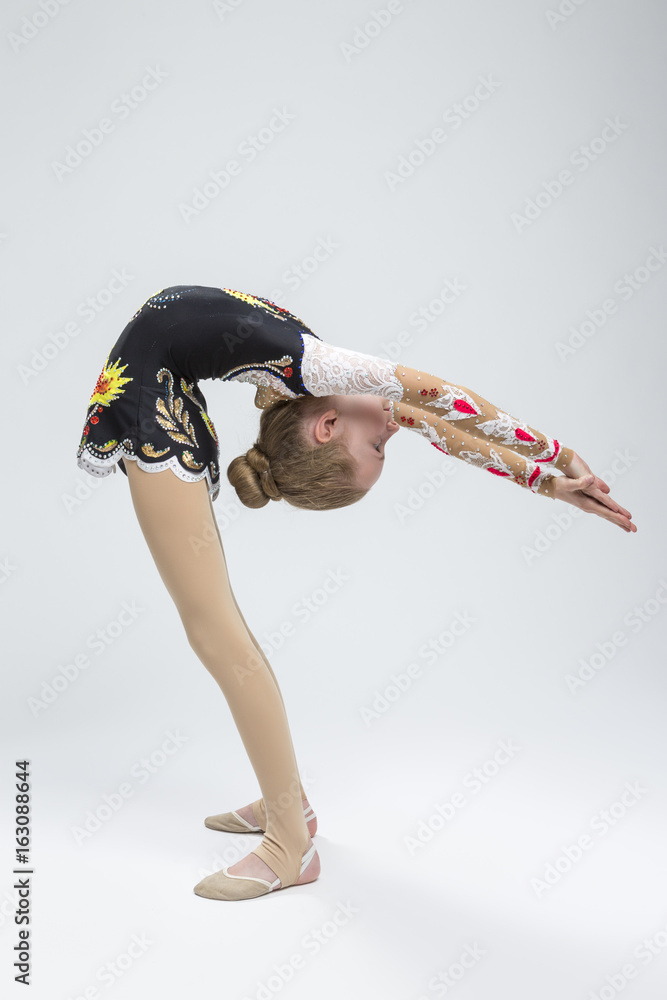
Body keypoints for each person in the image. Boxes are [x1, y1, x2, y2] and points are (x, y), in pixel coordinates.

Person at [76, 284, 637, 901]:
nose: (393, 433)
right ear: (329, 424)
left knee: (217, 630)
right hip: (150, 398)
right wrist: (560, 459)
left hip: (155, 396)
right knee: (215, 628)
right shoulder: (319, 369)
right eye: (380, 448)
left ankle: (289, 836)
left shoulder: (322, 383)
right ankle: (292, 825)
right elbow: (444, 402)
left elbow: (439, 423)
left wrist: (552, 483)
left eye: (378, 449)